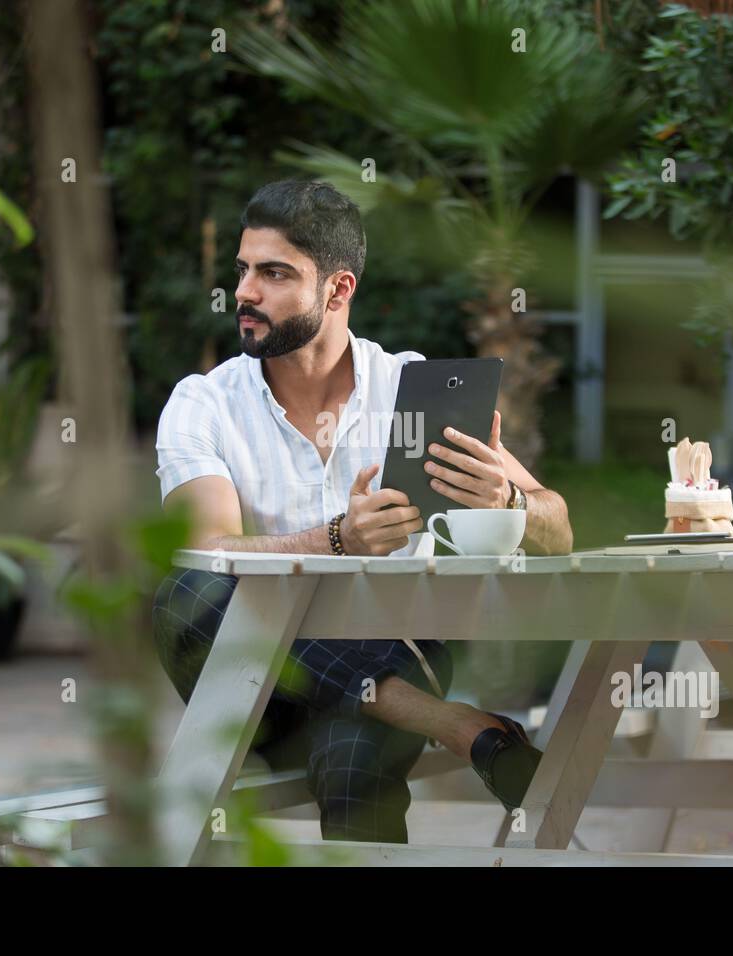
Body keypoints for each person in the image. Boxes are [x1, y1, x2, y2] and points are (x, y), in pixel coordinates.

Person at [154, 180, 573, 843]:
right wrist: (337, 541)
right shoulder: (203, 403)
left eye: (273, 273)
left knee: (355, 764)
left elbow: (558, 526)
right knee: (186, 590)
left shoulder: (418, 390)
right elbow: (207, 549)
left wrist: (510, 499)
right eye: (242, 271)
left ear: (338, 290)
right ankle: (453, 724)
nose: (244, 293)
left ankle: (402, 707)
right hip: (256, 691)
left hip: (399, 647)